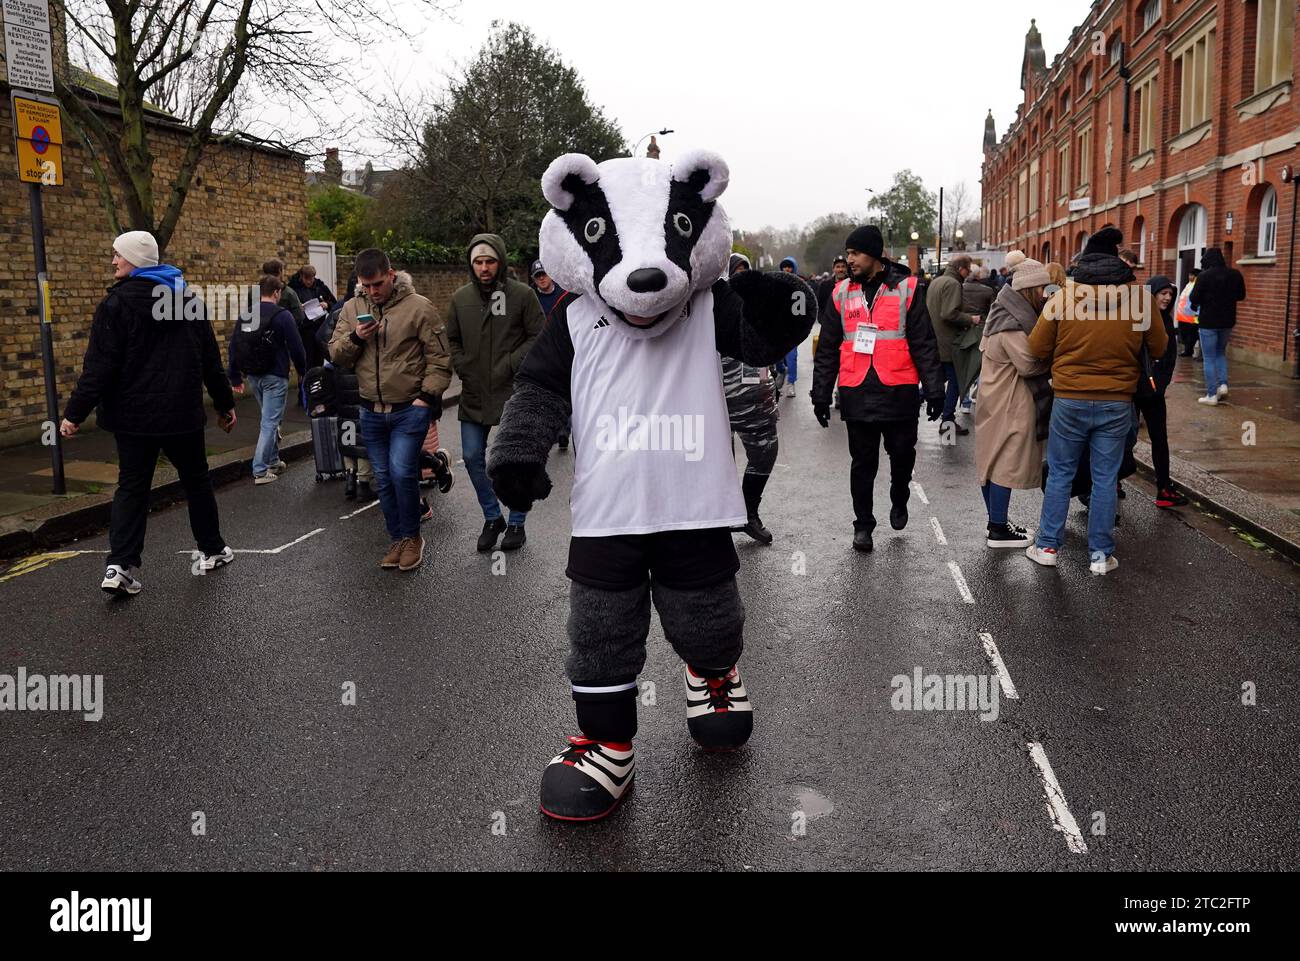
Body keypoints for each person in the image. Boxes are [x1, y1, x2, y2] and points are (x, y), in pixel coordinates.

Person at [60, 231, 238, 596]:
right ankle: (213, 549)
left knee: (133, 486)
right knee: (196, 481)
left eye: (118, 255)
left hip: (133, 418)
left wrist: (74, 414)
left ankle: (120, 566)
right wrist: (225, 405)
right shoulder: (189, 301)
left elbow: (99, 368)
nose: (113, 261)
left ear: (136, 260)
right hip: (181, 416)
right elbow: (210, 363)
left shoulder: (115, 305)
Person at [1025, 227, 1168, 575]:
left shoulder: (1062, 298)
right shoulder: (1140, 299)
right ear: (1119, 262)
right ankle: (1101, 555)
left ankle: (1047, 545)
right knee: (1105, 477)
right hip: (1117, 401)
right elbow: (1160, 348)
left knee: (1060, 472)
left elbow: (1036, 348)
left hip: (1070, 398)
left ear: (1083, 262)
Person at [811, 225, 945, 552]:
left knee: (902, 457)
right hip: (857, 391)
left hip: (898, 390)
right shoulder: (841, 292)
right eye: (849, 253)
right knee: (862, 464)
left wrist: (934, 389)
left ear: (874, 254)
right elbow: (827, 348)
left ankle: (899, 497)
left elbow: (924, 343)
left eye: (856, 253)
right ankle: (863, 525)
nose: (849, 259)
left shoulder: (909, 289)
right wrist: (820, 393)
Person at [329, 248, 452, 572]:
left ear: (391, 275)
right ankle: (397, 538)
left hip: (407, 411)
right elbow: (336, 354)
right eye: (366, 286)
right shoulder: (352, 309)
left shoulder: (418, 308)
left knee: (400, 472)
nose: (373, 291)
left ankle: (413, 538)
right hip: (370, 411)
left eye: (379, 284)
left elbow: (440, 358)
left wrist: (425, 398)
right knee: (383, 478)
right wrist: (356, 337)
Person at [446, 233, 545, 552]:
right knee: (473, 456)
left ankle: (517, 522)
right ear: (471, 265)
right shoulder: (461, 299)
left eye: (490, 261)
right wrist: (463, 366)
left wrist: (511, 363)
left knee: (515, 462)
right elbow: (452, 339)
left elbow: (538, 335)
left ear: (500, 262)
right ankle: (493, 517)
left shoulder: (522, 295)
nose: (484, 267)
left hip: (513, 391)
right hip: (474, 391)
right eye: (478, 262)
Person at [974, 259, 1052, 547]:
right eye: (1041, 287)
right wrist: (1051, 355)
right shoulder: (1012, 324)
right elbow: (1030, 365)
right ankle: (998, 529)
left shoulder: (1002, 313)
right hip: (1009, 401)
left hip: (996, 397)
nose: (1044, 293)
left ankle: (997, 522)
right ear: (1028, 289)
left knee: (992, 460)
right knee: (1004, 463)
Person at [723, 254, 781, 544]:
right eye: (737, 272)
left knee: (766, 453)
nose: (741, 278)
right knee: (717, 462)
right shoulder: (713, 306)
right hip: (716, 398)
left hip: (756, 397)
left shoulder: (759, 304)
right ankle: (717, 522)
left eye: (746, 272)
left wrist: (774, 378)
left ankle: (749, 512)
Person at [229, 273, 308, 485]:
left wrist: (235, 376)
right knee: (270, 422)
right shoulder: (283, 316)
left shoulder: (247, 314)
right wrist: (302, 370)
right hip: (275, 375)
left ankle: (273, 461)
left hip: (253, 376)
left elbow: (234, 346)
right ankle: (260, 470)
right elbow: (296, 347)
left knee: (269, 419)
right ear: (276, 292)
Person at [1140, 277, 1188, 509]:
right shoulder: (1139, 319)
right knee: (1124, 439)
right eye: (1163, 293)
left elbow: (1169, 360)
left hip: (1155, 392)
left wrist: (1161, 385)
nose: (1167, 298)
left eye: (1170, 294)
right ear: (1152, 294)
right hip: (1133, 388)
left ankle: (1163, 488)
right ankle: (1116, 482)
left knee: (1160, 440)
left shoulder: (1167, 322)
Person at [925, 253, 977, 434]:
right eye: (968, 270)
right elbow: (949, 313)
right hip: (948, 342)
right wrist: (971, 319)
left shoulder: (937, 281)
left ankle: (910, 402)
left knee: (938, 380)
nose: (968, 273)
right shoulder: (953, 284)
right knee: (956, 381)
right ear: (961, 269)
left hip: (935, 340)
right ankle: (947, 420)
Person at [1190, 248, 1246, 405]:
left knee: (1208, 358)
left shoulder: (1204, 276)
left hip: (1208, 322)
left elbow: (1194, 297)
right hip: (1228, 321)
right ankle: (1223, 385)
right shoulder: (1235, 274)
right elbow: (1241, 295)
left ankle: (1211, 394)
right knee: (1220, 353)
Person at [776, 256, 803, 397]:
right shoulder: (774, 283)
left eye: (789, 266)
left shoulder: (799, 285)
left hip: (792, 329)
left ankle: (791, 383)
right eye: (784, 266)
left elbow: (802, 309)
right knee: (776, 356)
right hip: (777, 328)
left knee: (792, 357)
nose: (787, 269)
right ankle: (781, 371)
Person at [1175, 268, 1201, 357]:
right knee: (1185, 333)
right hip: (1184, 315)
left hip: (1193, 315)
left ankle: (1188, 350)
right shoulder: (1189, 284)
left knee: (1192, 334)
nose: (1189, 276)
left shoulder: (1197, 285)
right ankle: (1187, 350)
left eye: (1191, 275)